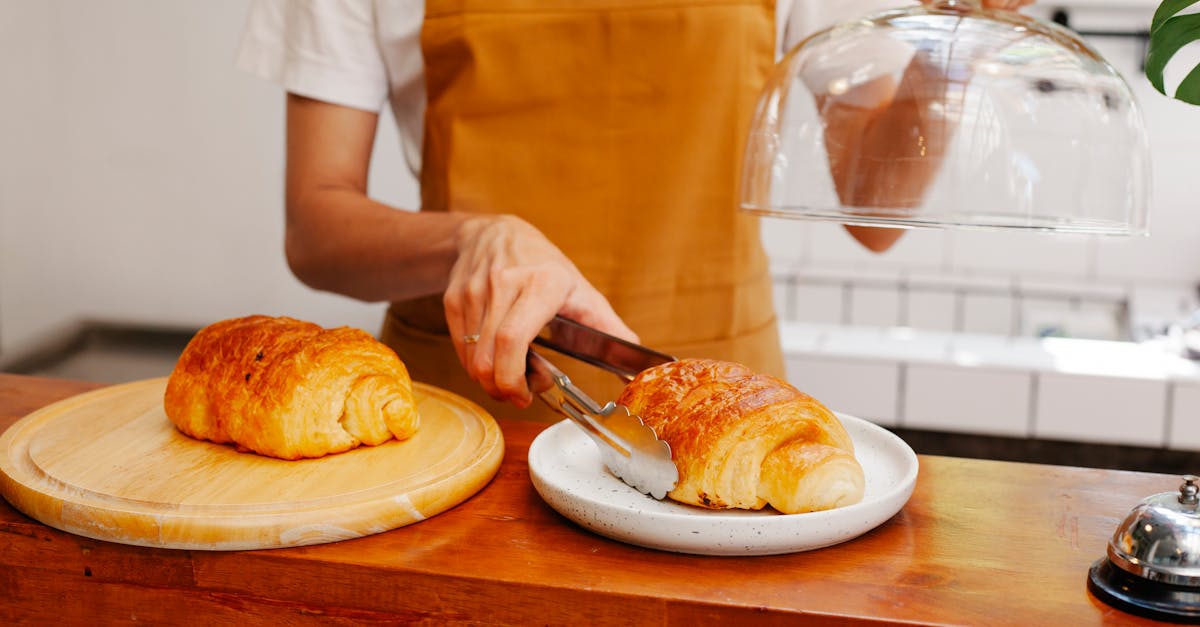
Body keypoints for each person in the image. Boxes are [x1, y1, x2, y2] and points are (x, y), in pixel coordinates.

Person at [236, 0, 1034, 422]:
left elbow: (875, 216)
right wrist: (474, 238)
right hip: (465, 412)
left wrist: (948, 50)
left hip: (719, 409)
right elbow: (316, 226)